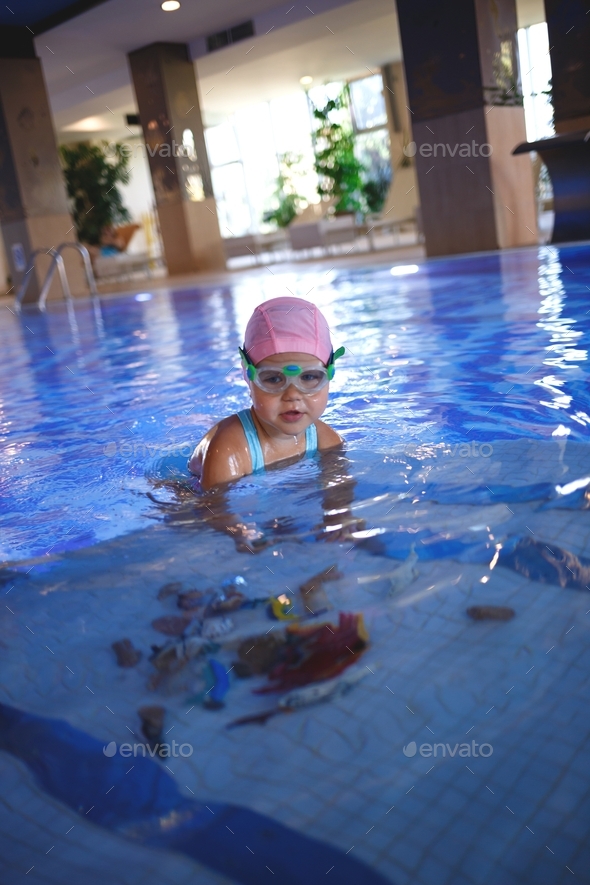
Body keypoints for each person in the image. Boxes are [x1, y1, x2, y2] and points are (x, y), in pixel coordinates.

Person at [189, 296, 345, 491]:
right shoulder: (229, 450)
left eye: (309, 377)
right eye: (273, 379)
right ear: (248, 376)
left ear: (329, 375)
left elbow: (339, 496)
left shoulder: (327, 440)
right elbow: (214, 514)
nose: (292, 395)